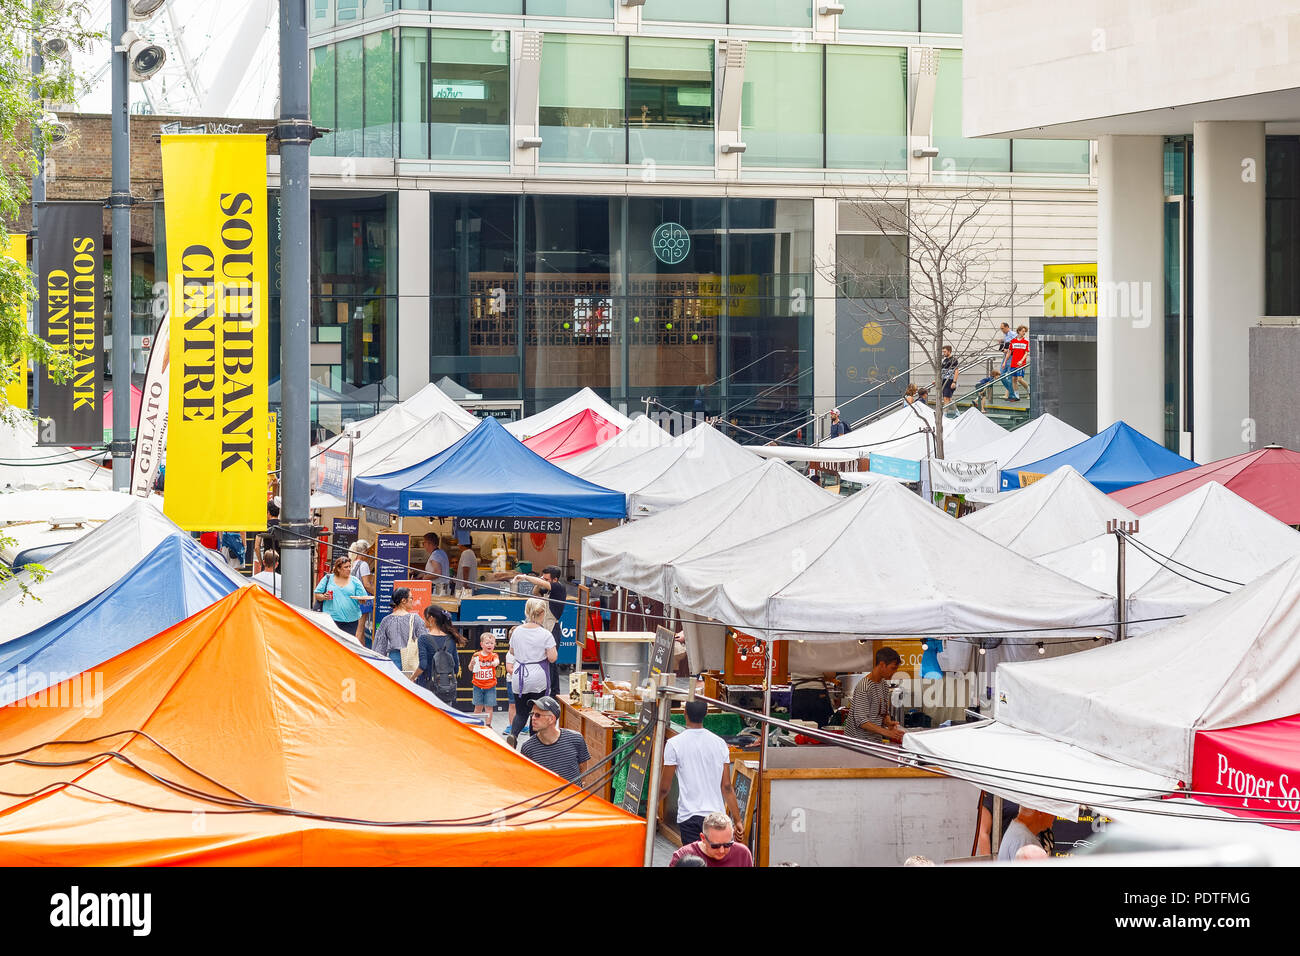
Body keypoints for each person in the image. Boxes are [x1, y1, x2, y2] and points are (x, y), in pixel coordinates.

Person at [658, 698, 744, 847]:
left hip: (689, 817)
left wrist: (652, 808)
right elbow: (727, 787)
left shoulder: (674, 744)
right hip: (716, 817)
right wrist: (737, 820)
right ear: (707, 713)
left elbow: (664, 788)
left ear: (684, 713)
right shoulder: (719, 743)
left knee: (694, 861)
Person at [504, 598, 558, 747]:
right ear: (543, 613)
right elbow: (552, 658)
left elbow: (512, 651)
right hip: (537, 675)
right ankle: (534, 745)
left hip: (519, 674)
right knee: (537, 713)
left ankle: (513, 735)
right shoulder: (545, 634)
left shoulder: (517, 632)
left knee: (521, 712)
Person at [513, 566, 568, 695]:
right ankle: (545, 689)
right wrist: (539, 580)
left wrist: (525, 577)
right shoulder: (548, 590)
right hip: (543, 628)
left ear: (555, 579)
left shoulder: (558, 588)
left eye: (547, 579)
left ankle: (554, 693)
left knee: (551, 663)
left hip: (552, 628)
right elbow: (535, 593)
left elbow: (543, 584)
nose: (544, 581)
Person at [519, 696, 590, 785]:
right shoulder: (528, 748)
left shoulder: (576, 739)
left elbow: (583, 767)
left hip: (572, 797)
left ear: (551, 719)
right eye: (532, 714)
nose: (533, 718)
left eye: (538, 715)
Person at [843, 646, 904, 743]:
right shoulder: (864, 687)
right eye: (893, 668)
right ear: (882, 664)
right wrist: (887, 732)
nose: (894, 672)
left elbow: (883, 712)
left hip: (874, 741)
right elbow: (862, 721)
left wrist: (888, 722)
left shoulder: (883, 684)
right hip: (857, 742)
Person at [415, 605, 466, 705]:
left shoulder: (423, 639)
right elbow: (455, 667)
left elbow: (423, 665)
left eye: (424, 617)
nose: (423, 620)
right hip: (446, 688)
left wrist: (412, 678)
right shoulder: (450, 639)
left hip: (427, 687)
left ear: (431, 619)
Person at [668, 812, 754, 867]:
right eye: (715, 846)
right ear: (703, 838)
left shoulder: (743, 854)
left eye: (727, 844)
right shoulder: (682, 857)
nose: (721, 850)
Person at [313, 555, 370, 636]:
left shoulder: (355, 581)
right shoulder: (328, 578)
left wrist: (362, 600)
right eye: (345, 567)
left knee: (347, 644)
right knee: (332, 643)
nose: (349, 569)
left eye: (350, 566)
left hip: (351, 620)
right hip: (331, 619)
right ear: (338, 569)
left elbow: (363, 597)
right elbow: (317, 594)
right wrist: (323, 597)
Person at [373, 586, 424, 671]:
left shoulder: (386, 620)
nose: (413, 600)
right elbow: (424, 641)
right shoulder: (415, 619)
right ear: (403, 600)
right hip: (411, 661)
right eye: (411, 598)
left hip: (393, 662)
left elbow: (380, 647)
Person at [469, 632, 500, 725]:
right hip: (478, 686)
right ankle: (475, 724)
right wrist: (471, 664)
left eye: (492, 643)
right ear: (481, 644)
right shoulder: (476, 655)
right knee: (478, 706)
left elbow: (496, 661)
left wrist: (495, 663)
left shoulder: (494, 655)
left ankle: (488, 725)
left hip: (490, 686)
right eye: (487, 643)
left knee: (489, 707)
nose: (489, 645)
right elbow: (470, 668)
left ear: (494, 644)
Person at [1008, 324, 1030, 399]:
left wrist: (1021, 360)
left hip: (1021, 364)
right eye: (1023, 331)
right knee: (1014, 379)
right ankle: (1016, 395)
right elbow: (1009, 352)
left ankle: (1029, 390)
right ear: (1019, 331)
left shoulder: (1026, 341)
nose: (1024, 333)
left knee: (1020, 379)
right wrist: (1005, 362)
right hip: (1013, 363)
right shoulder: (1013, 341)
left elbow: (1026, 353)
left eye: (1025, 331)